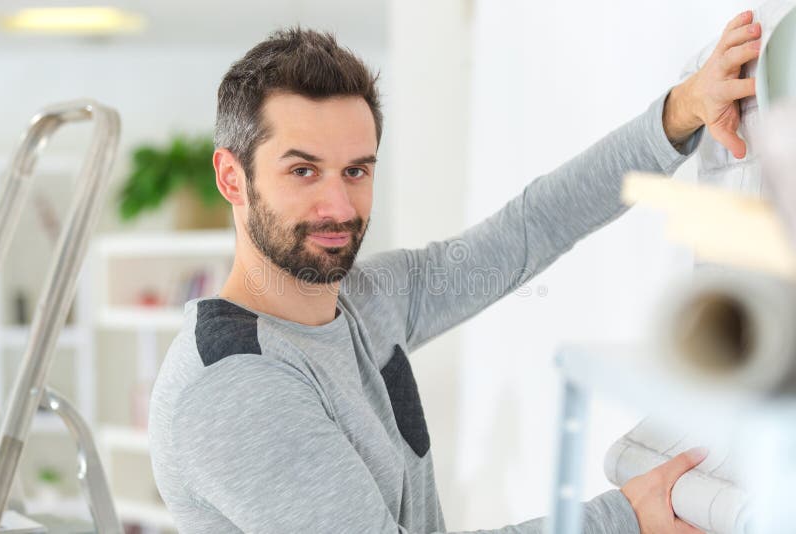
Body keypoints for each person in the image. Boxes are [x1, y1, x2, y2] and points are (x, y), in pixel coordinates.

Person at [149, 11, 761, 534]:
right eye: (303, 171)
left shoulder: (361, 299)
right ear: (232, 177)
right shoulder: (235, 385)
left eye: (356, 171)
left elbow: (531, 227)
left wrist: (680, 111)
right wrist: (620, 519)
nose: (337, 207)